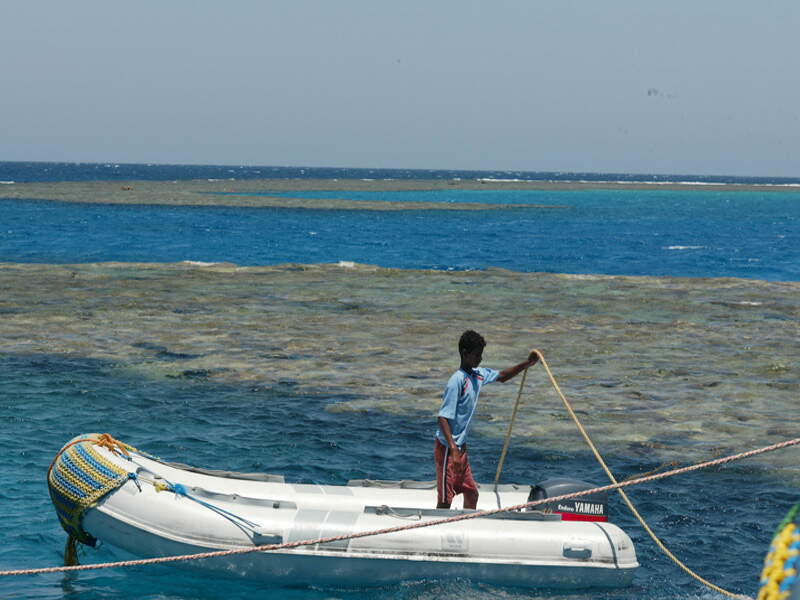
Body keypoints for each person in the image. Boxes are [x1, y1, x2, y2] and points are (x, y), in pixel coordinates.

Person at [435, 330, 538, 509]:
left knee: (471, 493)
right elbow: (443, 417)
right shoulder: (456, 381)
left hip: (461, 448)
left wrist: (528, 364)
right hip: (447, 449)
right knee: (445, 499)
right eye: (477, 355)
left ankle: (466, 528)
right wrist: (453, 449)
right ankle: (436, 531)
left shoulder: (478, 375)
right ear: (465, 354)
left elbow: (503, 376)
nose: (480, 359)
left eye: (481, 355)